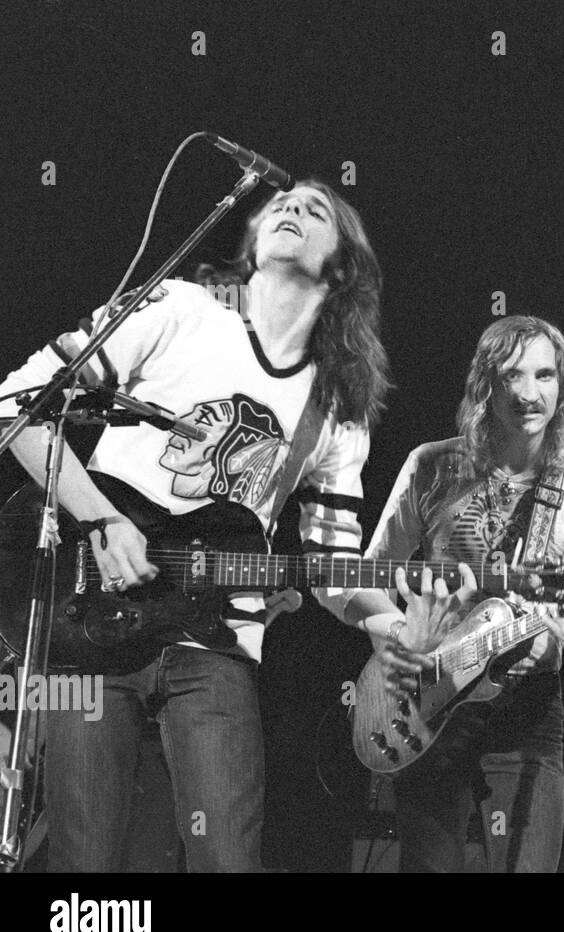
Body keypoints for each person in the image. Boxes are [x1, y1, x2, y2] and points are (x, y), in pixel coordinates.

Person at [0, 179, 390, 871]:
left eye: (317, 209)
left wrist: (396, 625)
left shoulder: (336, 409)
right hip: (85, 616)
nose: (292, 208)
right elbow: (17, 405)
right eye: (283, 203)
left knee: (228, 860)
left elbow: (334, 565)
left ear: (343, 266)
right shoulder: (182, 309)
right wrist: (102, 518)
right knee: (82, 864)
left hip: (214, 643)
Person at [319, 314, 564, 873]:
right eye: (511, 376)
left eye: (545, 375)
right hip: (426, 699)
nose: (530, 394)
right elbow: (358, 580)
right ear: (485, 384)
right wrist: (404, 635)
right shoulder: (433, 466)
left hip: (528, 707)